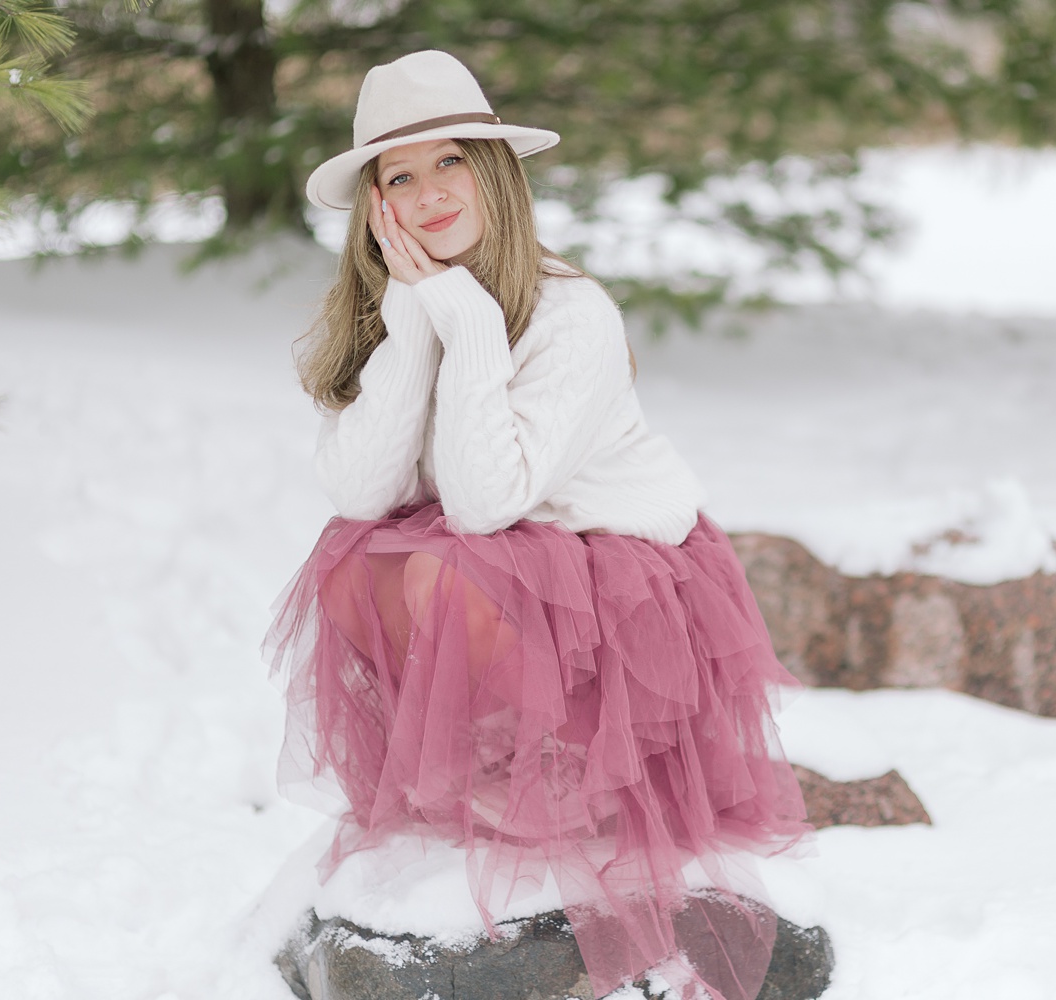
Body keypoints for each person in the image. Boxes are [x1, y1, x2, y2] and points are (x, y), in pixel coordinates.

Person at [262, 50, 811, 1000]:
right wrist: (412, 318)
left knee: (443, 567)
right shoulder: (403, 308)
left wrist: (468, 322)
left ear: (496, 173)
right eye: (401, 175)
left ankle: (566, 776)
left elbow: (486, 500)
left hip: (622, 581)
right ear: (376, 208)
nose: (430, 193)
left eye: (452, 163)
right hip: (510, 563)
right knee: (356, 562)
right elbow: (359, 491)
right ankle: (490, 766)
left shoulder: (569, 311)